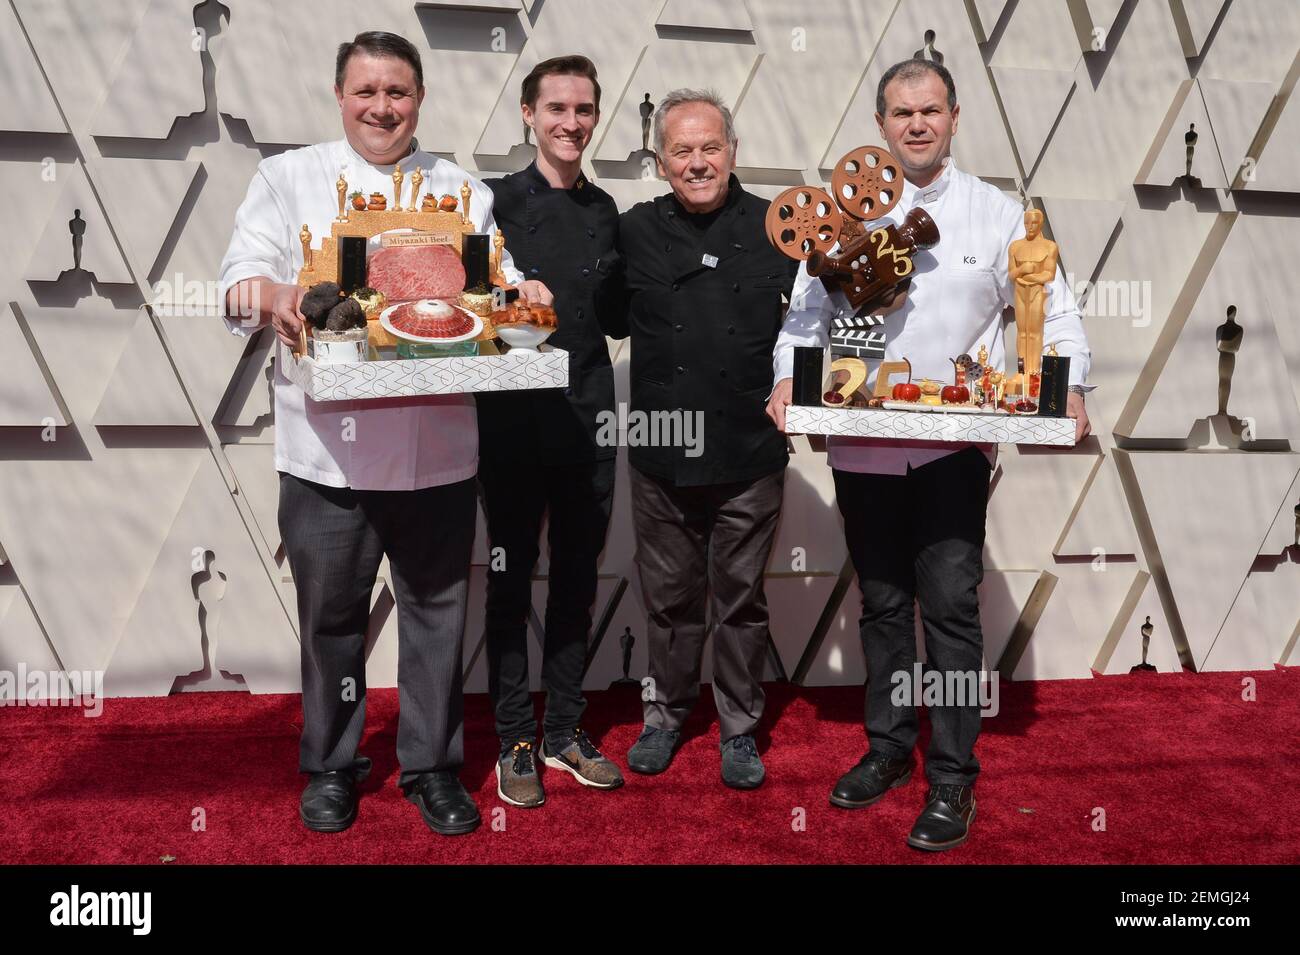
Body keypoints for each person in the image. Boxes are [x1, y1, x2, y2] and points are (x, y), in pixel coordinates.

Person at [217, 31, 550, 837]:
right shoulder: (287, 177)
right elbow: (234, 288)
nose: (382, 107)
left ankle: (432, 766)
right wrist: (281, 296)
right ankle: (332, 764)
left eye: (397, 92)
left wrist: (524, 290)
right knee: (331, 620)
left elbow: (496, 286)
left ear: (420, 98)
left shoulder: (458, 188)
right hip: (324, 451)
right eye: (366, 91)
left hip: (437, 450)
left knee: (437, 614)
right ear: (340, 96)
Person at [767, 58, 1093, 851]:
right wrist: (786, 381)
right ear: (880, 123)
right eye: (901, 112)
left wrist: (1071, 383)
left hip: (952, 450)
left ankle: (951, 774)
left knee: (948, 606)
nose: (917, 124)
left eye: (931, 110)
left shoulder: (996, 213)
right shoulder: (844, 214)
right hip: (863, 446)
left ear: (954, 116)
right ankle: (887, 748)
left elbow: (1049, 305)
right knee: (880, 603)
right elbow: (803, 320)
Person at [609, 89, 797, 790]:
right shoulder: (632, 231)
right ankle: (665, 715)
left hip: (749, 451)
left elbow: (812, 325)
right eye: (682, 151)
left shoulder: (779, 227)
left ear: (733, 152)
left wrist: (799, 390)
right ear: (661, 163)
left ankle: (741, 728)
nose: (698, 163)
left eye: (710, 147)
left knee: (741, 599)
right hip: (660, 450)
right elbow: (602, 315)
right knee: (669, 598)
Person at [477, 55, 625, 808]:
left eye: (585, 110)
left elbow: (623, 316)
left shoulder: (606, 212)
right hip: (509, 423)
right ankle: (515, 739)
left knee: (576, 580)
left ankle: (565, 727)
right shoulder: (491, 202)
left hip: (590, 418)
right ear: (529, 114)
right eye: (557, 108)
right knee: (508, 582)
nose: (572, 123)